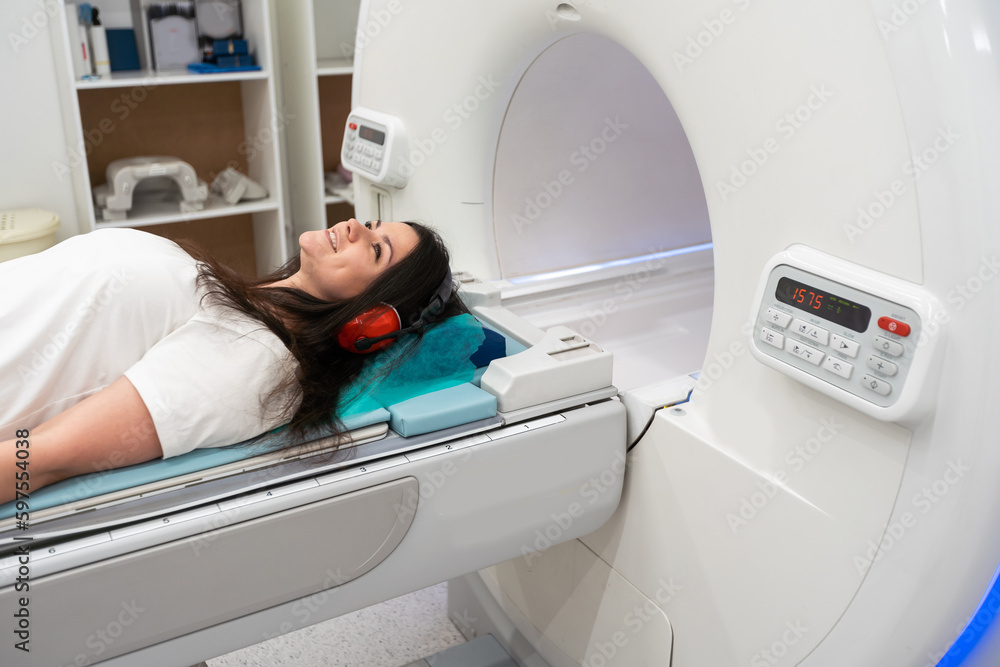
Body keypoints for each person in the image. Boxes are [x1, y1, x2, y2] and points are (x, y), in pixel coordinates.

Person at [0, 219, 458, 505]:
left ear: (373, 322)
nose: (356, 225)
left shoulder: (254, 361)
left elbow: (40, 460)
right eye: (374, 224)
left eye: (377, 249)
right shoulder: (234, 298)